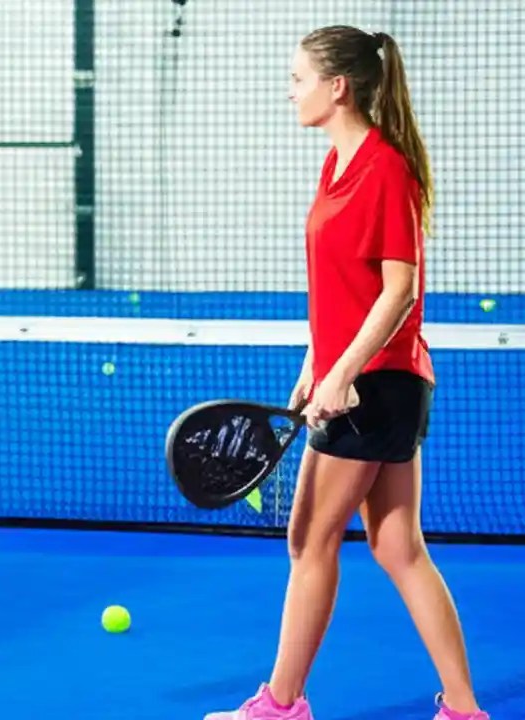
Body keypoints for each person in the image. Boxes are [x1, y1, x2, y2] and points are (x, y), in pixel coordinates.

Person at [204, 26, 489, 720]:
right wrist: (314, 362)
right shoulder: (336, 165)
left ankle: (279, 705)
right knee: (398, 547)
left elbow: (399, 289)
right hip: (367, 380)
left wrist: (343, 374)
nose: (290, 90)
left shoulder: (385, 168)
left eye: (298, 78)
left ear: (339, 87)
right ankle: (464, 710)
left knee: (308, 539)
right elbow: (343, 284)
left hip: (375, 385)